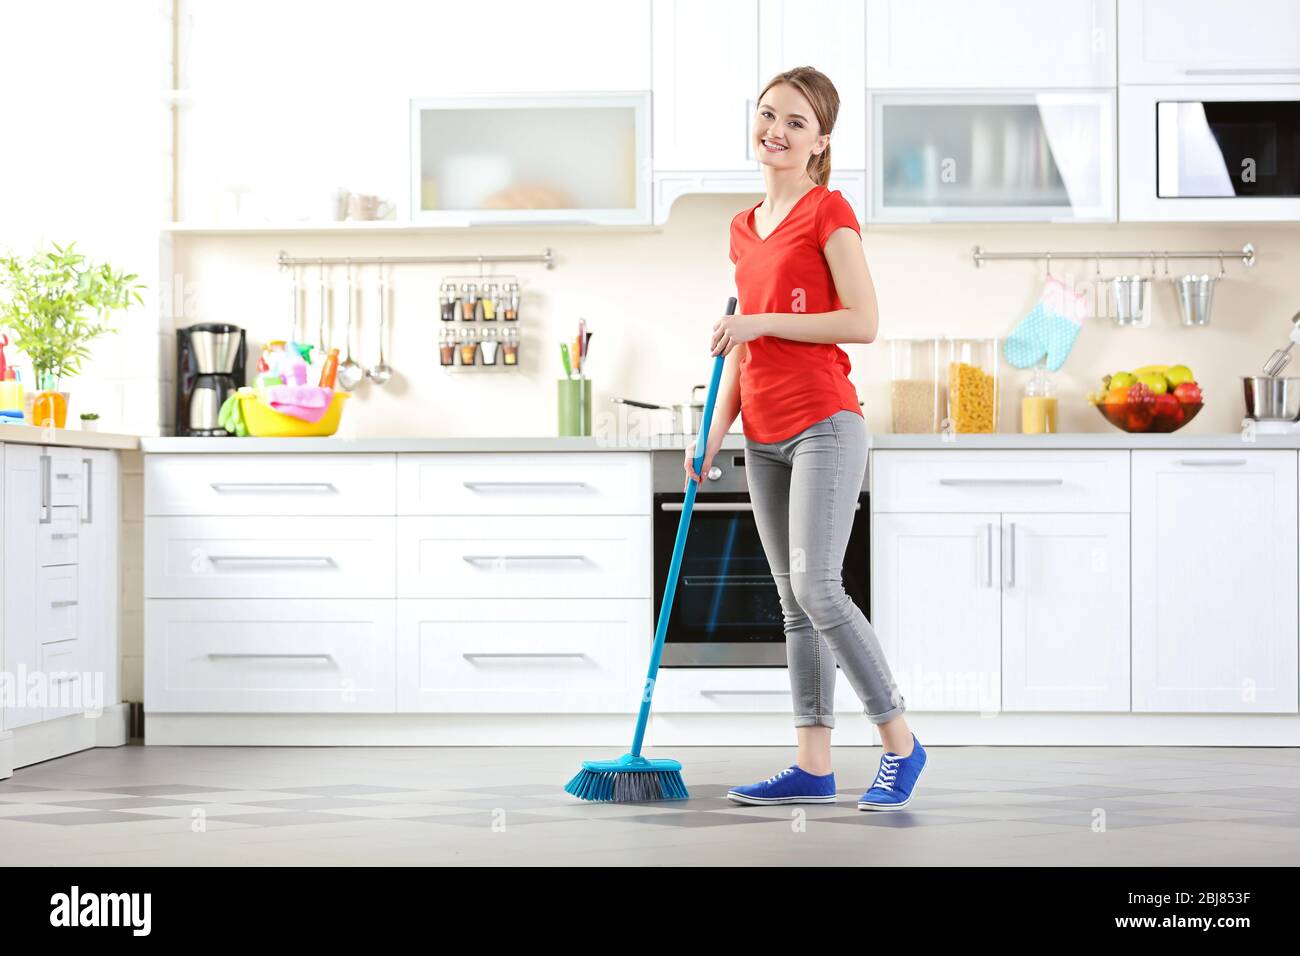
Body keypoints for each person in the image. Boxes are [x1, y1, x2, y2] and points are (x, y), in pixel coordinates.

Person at [685, 66, 926, 810]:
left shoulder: (830, 212)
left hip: (824, 419)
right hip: (760, 433)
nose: (776, 131)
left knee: (820, 586)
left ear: (821, 140)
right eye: (766, 115)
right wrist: (714, 434)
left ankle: (901, 743)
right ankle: (813, 766)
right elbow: (741, 350)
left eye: (795, 121)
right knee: (793, 601)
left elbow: (862, 320)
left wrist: (759, 321)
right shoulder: (742, 227)